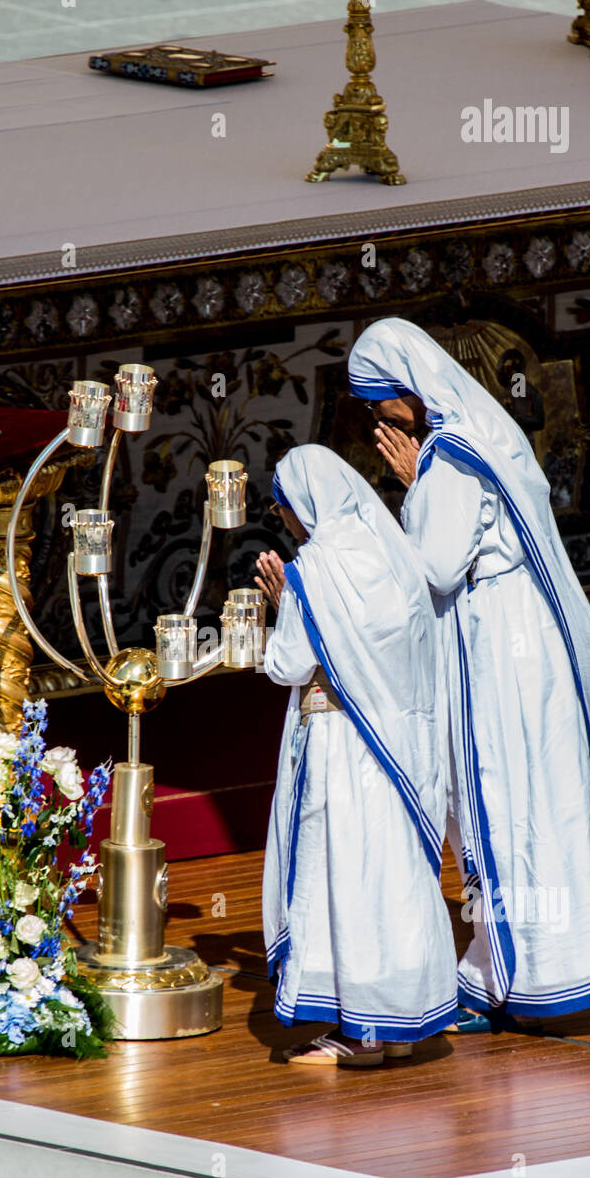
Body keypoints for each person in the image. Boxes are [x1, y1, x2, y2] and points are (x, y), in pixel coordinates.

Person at [348, 317, 590, 1031]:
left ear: (410, 387)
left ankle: (514, 974)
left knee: (498, 794)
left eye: (380, 404)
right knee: (534, 800)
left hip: (497, 649)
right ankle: (531, 965)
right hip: (524, 639)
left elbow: (435, 567)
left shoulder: (452, 457)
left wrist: (412, 488)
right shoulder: (486, 431)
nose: (378, 421)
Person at [253, 444, 458, 1067]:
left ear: (304, 503)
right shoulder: (393, 553)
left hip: (340, 749)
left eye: (283, 506)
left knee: (344, 877)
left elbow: (289, 665)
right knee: (393, 879)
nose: (283, 518)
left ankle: (359, 1033)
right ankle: (401, 1026)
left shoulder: (315, 569)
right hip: (400, 751)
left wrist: (282, 605)